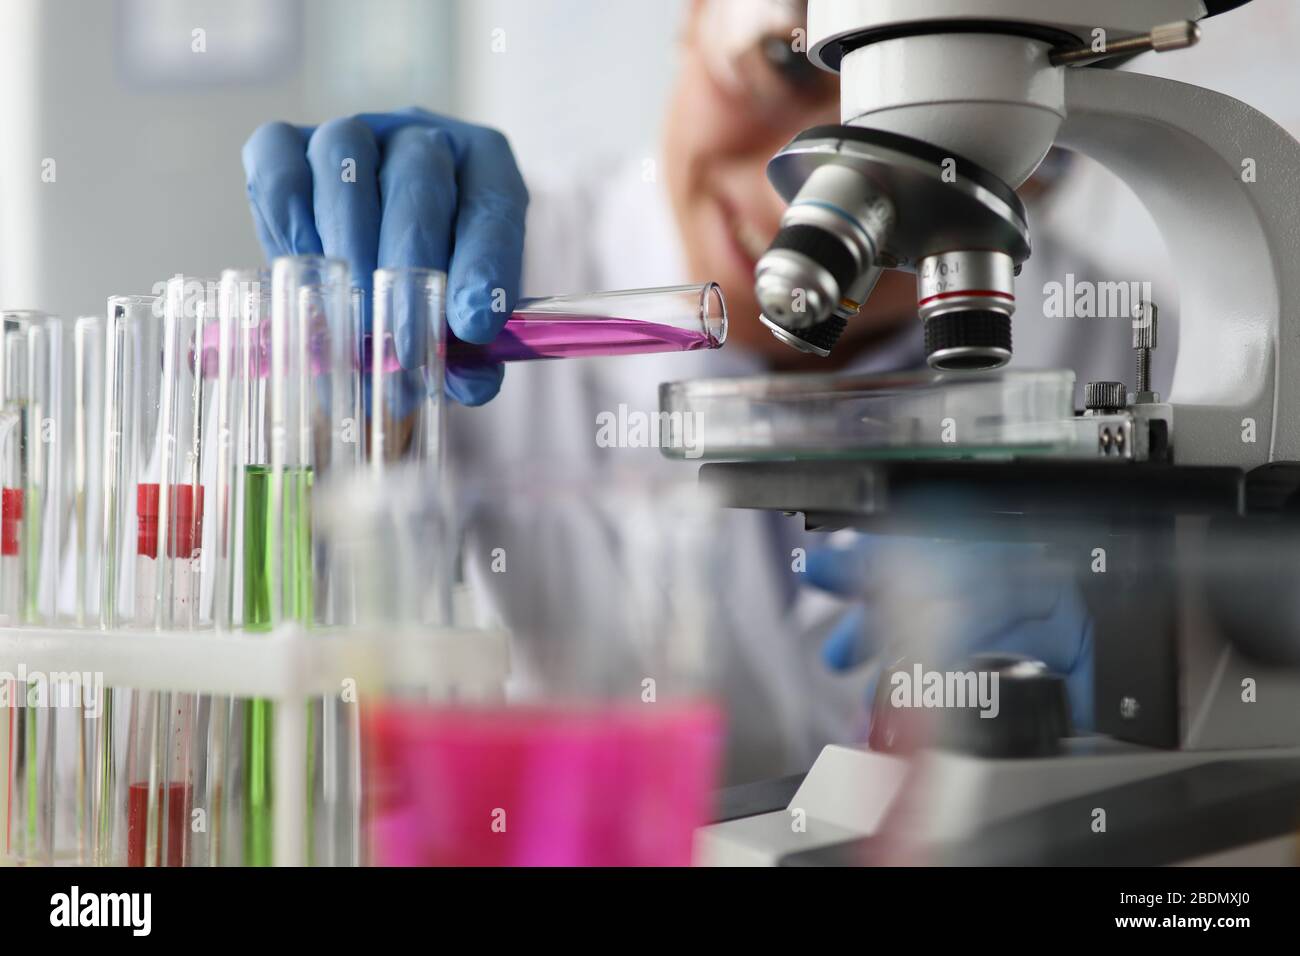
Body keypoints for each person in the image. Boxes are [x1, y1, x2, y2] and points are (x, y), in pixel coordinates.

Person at [240, 0, 1289, 781]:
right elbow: (245, 679)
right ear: (692, 20)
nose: (800, 167)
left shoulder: (1154, 337)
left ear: (1049, 163)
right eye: (785, 65)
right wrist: (334, 378)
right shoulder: (501, 281)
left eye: (930, 145)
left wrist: (1187, 653)